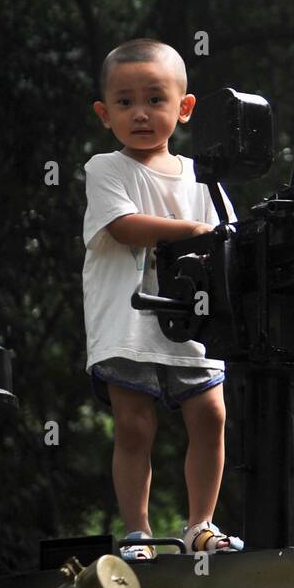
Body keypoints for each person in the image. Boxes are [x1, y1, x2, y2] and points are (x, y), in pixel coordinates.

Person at [81, 38, 243, 561]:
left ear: (185, 107)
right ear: (105, 115)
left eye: (155, 99)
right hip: (128, 324)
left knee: (211, 415)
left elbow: (233, 245)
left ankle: (201, 525)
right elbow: (125, 227)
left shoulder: (206, 178)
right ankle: (138, 534)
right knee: (134, 424)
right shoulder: (106, 168)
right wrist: (195, 231)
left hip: (196, 324)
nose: (141, 113)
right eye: (125, 103)